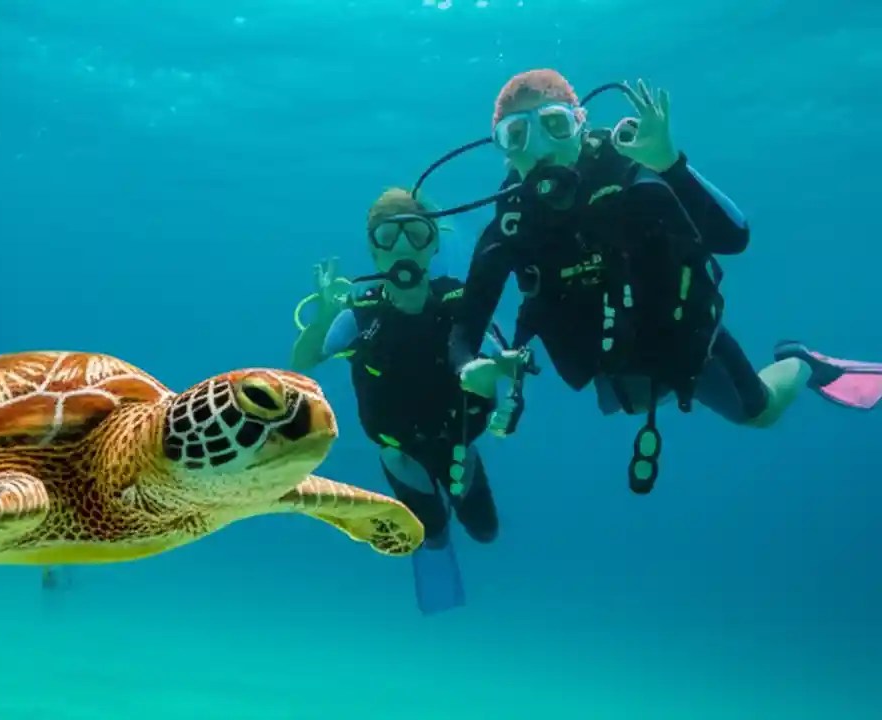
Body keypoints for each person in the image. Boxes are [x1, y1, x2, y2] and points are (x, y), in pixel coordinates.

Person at [404, 69, 882, 493]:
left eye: (553, 125)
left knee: (758, 412)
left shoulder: (633, 171)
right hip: (612, 365)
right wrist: (470, 368)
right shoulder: (512, 221)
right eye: (517, 134)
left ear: (580, 124)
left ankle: (801, 362)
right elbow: (467, 325)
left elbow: (733, 238)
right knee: (648, 402)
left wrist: (670, 162)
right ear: (502, 148)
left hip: (686, 340)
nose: (541, 147)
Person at [291, 187, 532, 613]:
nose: (402, 248)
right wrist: (327, 312)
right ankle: (440, 574)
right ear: (373, 248)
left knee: (486, 531)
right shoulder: (359, 314)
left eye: (415, 234)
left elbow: (504, 361)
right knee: (432, 532)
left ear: (433, 243)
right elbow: (305, 360)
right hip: (400, 453)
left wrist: (505, 373)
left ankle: (455, 519)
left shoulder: (464, 304)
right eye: (388, 236)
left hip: (459, 443)